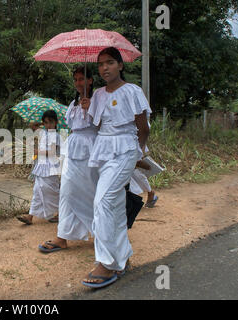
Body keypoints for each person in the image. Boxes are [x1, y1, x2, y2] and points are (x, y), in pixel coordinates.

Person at [82, 47, 151, 288]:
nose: (104, 68)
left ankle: (106, 262)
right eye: (100, 64)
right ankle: (122, 258)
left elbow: (143, 128)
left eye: (110, 62)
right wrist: (86, 107)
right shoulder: (99, 94)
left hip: (126, 149)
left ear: (120, 66)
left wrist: (138, 152)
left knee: (102, 201)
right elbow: (98, 124)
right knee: (115, 204)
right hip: (104, 150)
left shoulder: (132, 91)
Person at [38, 66, 99, 252]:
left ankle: (101, 233)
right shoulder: (73, 104)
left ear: (90, 80)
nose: (79, 82)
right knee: (67, 190)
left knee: (92, 193)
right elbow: (72, 126)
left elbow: (105, 124)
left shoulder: (99, 99)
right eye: (76, 79)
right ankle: (62, 236)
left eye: (82, 79)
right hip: (73, 148)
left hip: (93, 149)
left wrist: (93, 109)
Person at [17, 110, 61, 225]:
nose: (48, 125)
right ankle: (30, 216)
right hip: (41, 167)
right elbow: (31, 126)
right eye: (46, 122)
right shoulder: (43, 133)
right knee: (37, 190)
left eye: (51, 122)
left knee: (53, 191)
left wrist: (38, 151)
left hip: (50, 168)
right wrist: (38, 125)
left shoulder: (56, 136)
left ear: (56, 122)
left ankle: (60, 213)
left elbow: (52, 152)